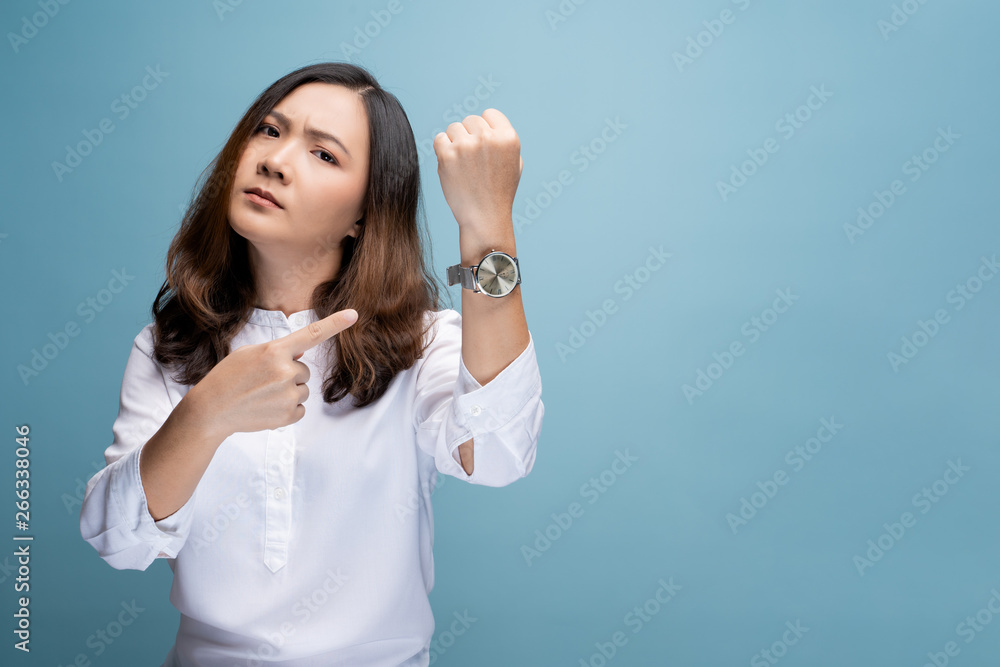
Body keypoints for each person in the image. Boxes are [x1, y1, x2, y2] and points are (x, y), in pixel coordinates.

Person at [79, 61, 544, 667]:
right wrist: (205, 414)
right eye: (270, 131)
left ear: (362, 215)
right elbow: (119, 542)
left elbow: (500, 455)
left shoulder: (421, 345)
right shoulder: (171, 345)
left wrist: (488, 228)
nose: (275, 159)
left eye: (324, 155)